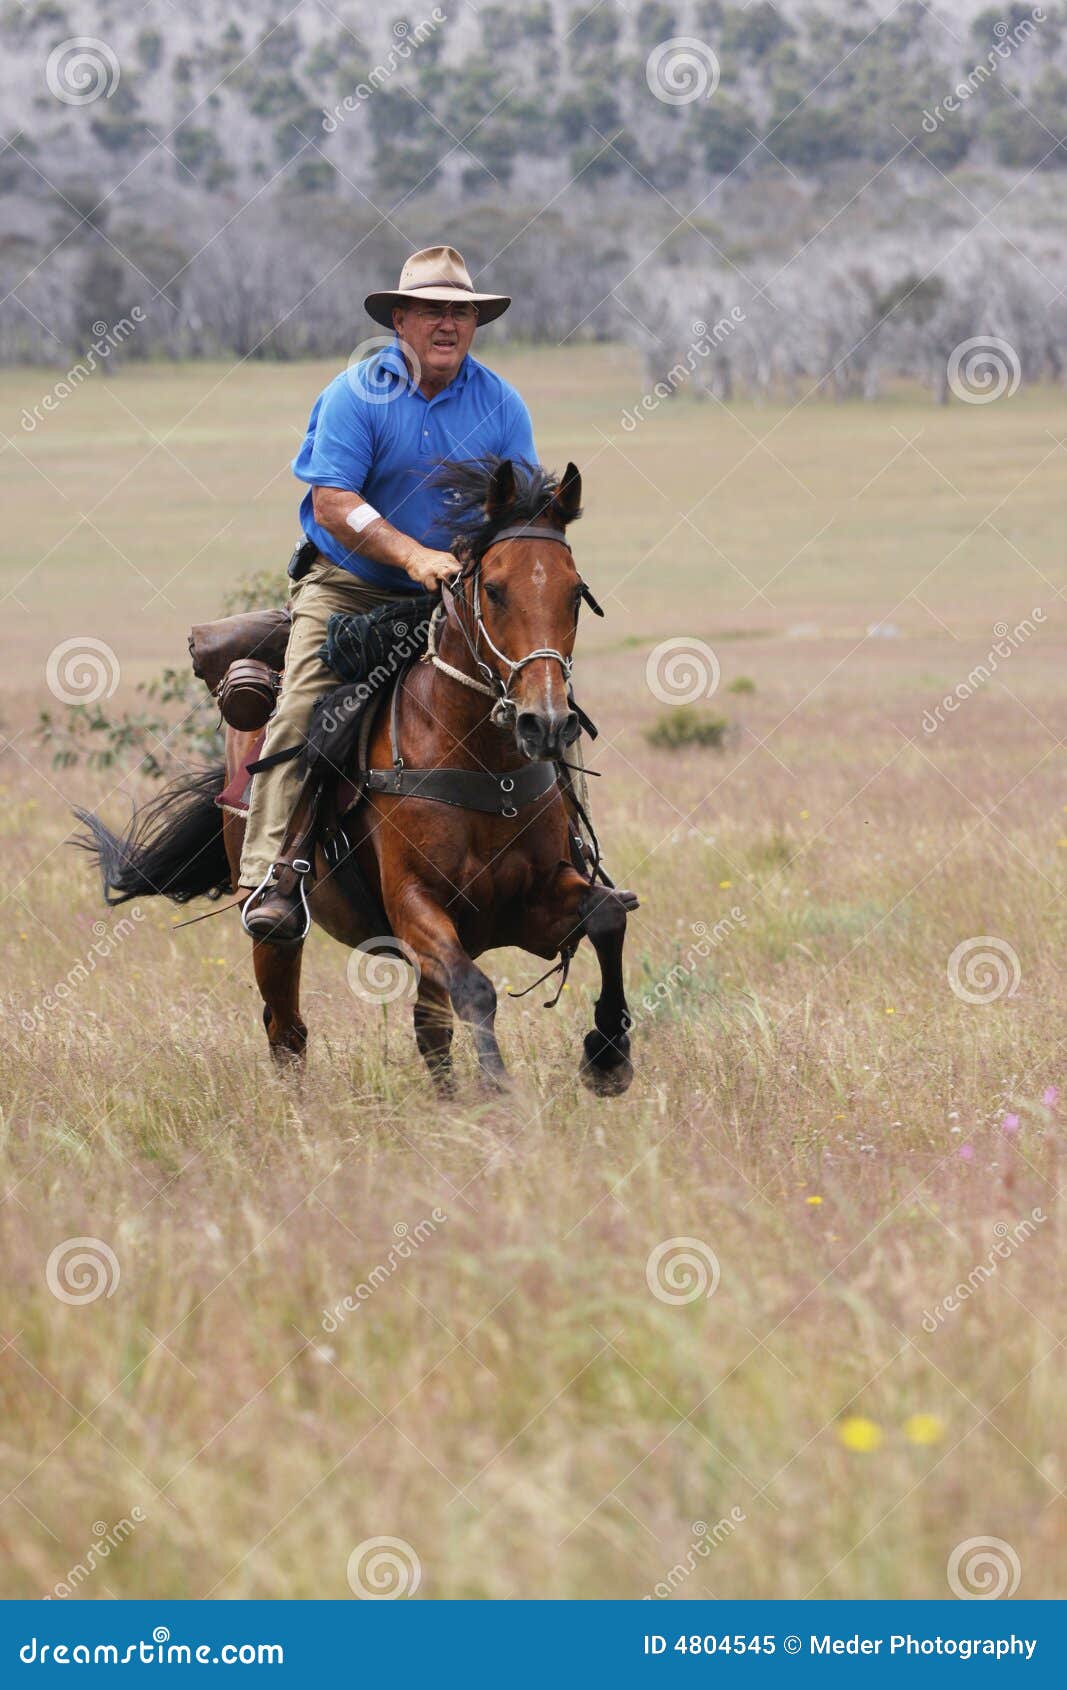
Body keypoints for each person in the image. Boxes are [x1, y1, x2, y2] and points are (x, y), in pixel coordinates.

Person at [239, 244, 535, 943]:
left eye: (459, 313)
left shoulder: (501, 403)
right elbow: (335, 500)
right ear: (398, 319)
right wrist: (412, 555)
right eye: (431, 310)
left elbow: (517, 507)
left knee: (541, 694)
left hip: (458, 589)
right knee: (302, 705)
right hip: (350, 585)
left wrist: (482, 559)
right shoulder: (352, 395)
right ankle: (269, 876)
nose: (446, 324)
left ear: (474, 324)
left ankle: (575, 858)